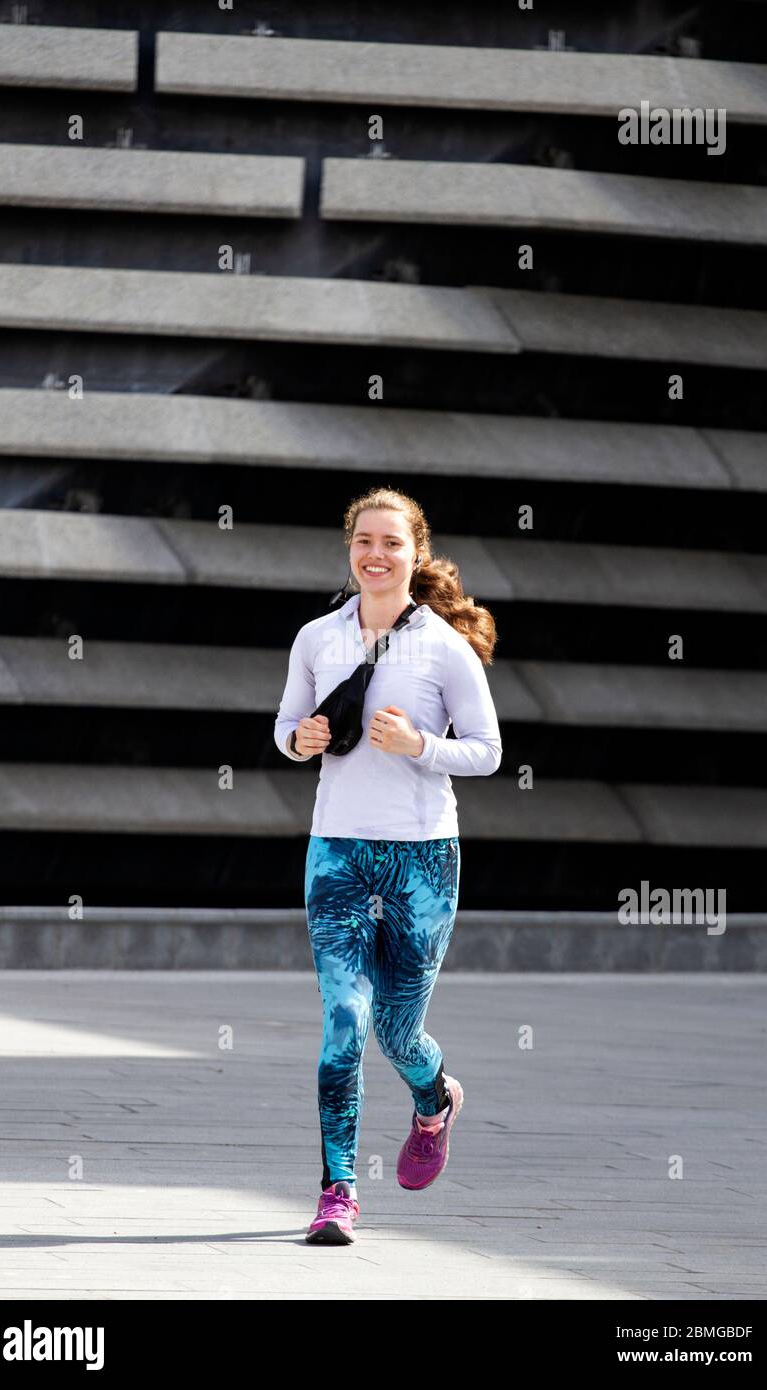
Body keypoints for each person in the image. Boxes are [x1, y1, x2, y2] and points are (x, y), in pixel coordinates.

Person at [273, 486, 502, 1244]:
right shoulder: (315, 637)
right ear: (350, 549)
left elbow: (487, 751)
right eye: (363, 541)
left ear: (415, 553)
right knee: (344, 1022)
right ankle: (336, 1192)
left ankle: (433, 1102)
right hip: (336, 849)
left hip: (422, 858)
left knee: (399, 1032)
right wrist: (297, 741)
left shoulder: (443, 646)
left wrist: (420, 748)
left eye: (391, 543)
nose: (376, 554)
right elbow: (285, 725)